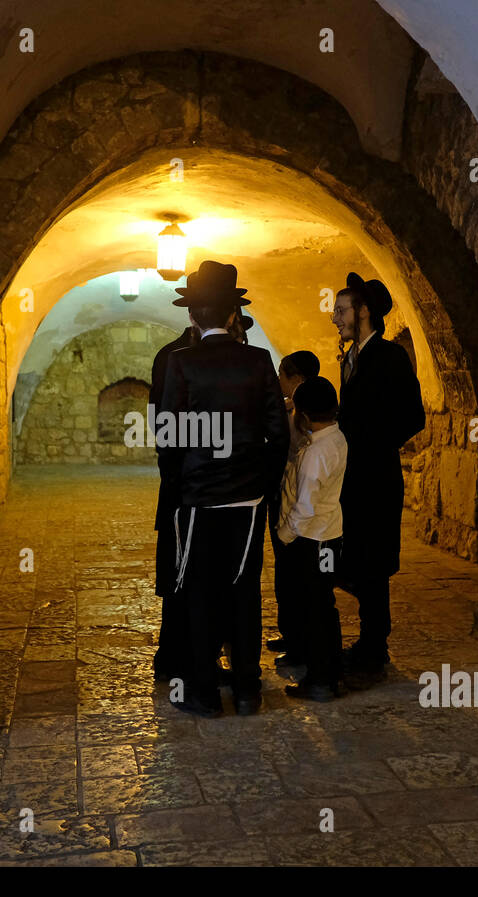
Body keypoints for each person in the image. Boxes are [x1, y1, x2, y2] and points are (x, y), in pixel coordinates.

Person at [159, 261, 289, 717]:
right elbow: (279, 432)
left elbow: (170, 435)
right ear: (234, 315)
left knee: (199, 593)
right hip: (248, 501)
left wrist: (181, 485)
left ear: (193, 316)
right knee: (245, 590)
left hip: (198, 500)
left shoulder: (182, 362)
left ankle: (204, 692)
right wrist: (262, 485)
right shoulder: (257, 361)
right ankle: (249, 689)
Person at [331, 272, 425, 682]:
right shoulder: (352, 358)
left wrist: (369, 446)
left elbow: (413, 417)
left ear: (363, 311)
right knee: (358, 557)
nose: (335, 317)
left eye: (341, 310)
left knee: (373, 560)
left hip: (376, 477)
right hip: (353, 478)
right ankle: (369, 641)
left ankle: (375, 645)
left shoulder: (388, 357)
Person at [276, 376, 348, 700]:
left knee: (312, 608)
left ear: (302, 416)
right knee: (325, 605)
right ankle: (331, 670)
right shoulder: (337, 439)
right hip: (331, 537)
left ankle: (319, 678)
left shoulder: (314, 454)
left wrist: (285, 533)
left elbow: (304, 506)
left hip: (310, 540)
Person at [149, 323, 197, 683]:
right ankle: (184, 657)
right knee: (185, 573)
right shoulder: (177, 358)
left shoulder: (169, 353)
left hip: (179, 483)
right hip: (189, 486)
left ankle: (175, 654)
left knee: (181, 572)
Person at [266, 350, 321, 661]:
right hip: (287, 501)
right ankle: (291, 633)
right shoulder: (294, 411)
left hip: (293, 504)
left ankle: (300, 640)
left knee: (294, 571)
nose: (277, 381)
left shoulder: (304, 420)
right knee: (287, 570)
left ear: (297, 380)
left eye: (282, 375)